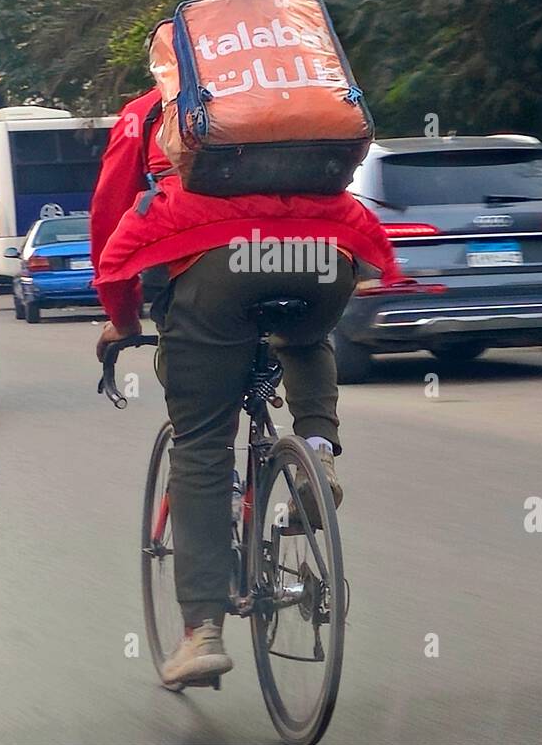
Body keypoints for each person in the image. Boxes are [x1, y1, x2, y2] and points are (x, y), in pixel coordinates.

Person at [91, 86, 403, 687]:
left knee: (203, 441)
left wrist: (123, 320)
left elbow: (110, 212)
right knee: (305, 339)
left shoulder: (152, 109)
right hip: (323, 255)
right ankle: (316, 452)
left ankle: (202, 632)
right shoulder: (297, 94)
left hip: (215, 262)